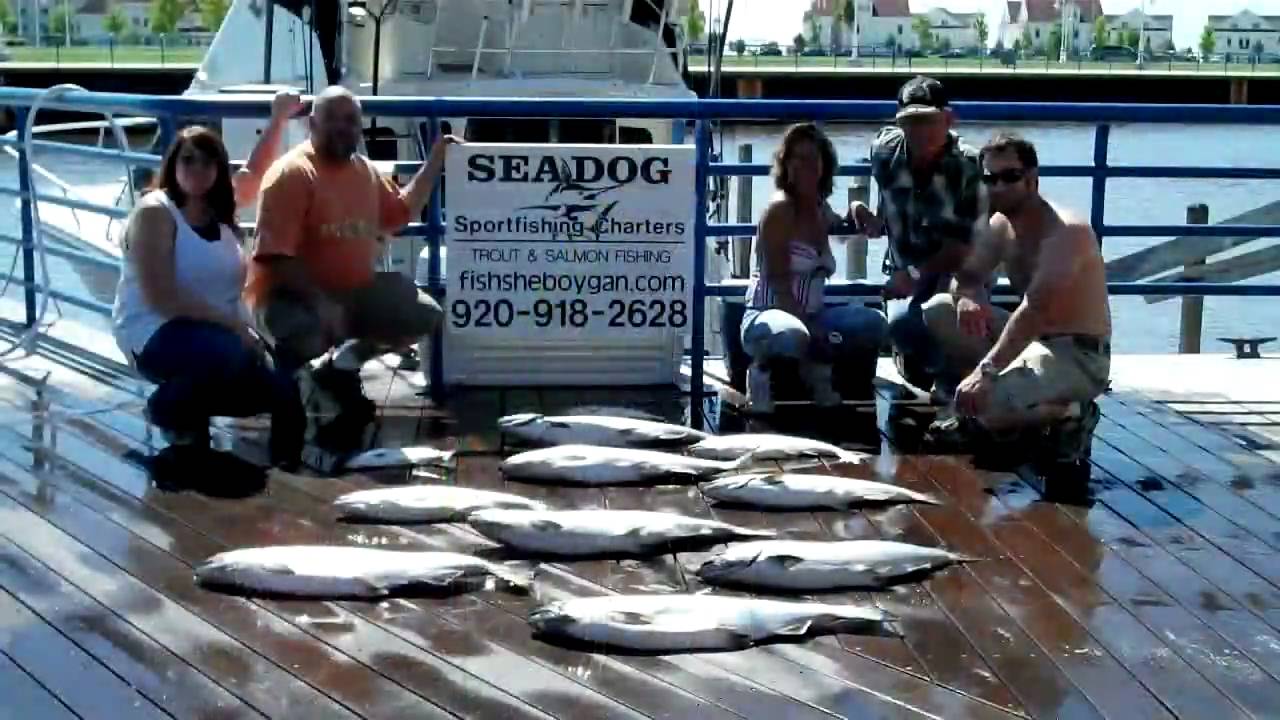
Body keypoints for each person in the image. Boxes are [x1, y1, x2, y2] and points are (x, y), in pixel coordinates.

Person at [247, 85, 459, 448]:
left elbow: (400, 214)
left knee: (426, 314)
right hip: (287, 298)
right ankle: (296, 386)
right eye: (333, 119)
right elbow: (276, 258)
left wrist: (436, 160)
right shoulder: (291, 174)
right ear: (312, 123)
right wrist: (322, 304)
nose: (343, 128)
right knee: (308, 333)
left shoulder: (364, 170)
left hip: (352, 291)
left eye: (351, 120)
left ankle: (334, 370)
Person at [111, 121, 306, 470]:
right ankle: (167, 408)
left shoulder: (219, 212)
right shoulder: (156, 212)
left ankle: (290, 469)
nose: (198, 169)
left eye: (208, 161)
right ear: (172, 165)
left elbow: (253, 173)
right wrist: (236, 328)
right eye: (188, 160)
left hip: (216, 333)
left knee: (281, 387)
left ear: (219, 168)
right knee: (228, 354)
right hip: (154, 329)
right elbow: (162, 298)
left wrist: (277, 119)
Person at [920, 132, 1112, 478]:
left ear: (1033, 179)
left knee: (986, 409)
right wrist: (968, 296)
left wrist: (985, 372)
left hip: (1078, 354)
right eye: (989, 178)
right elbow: (966, 275)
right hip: (1033, 343)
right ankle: (1001, 397)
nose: (999, 187)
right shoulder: (1000, 224)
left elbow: (1035, 310)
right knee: (938, 309)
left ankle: (1071, 411)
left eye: (1010, 177)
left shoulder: (1067, 232)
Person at [851, 75, 989, 401]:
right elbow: (887, 198)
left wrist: (912, 276)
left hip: (957, 272)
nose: (920, 131)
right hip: (904, 271)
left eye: (929, 121)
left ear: (948, 119)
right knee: (901, 327)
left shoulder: (969, 166)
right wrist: (866, 213)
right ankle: (931, 368)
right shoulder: (884, 151)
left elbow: (964, 246)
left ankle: (958, 380)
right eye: (910, 122)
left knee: (939, 316)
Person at [741, 122, 889, 413]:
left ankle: (825, 378)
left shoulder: (819, 207)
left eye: (813, 158)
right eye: (798, 158)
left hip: (813, 313)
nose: (806, 166)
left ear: (825, 164)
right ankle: (760, 377)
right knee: (795, 334)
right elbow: (779, 282)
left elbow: (843, 227)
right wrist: (811, 328)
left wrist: (858, 207)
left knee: (873, 324)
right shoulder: (779, 209)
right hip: (768, 315)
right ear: (786, 164)